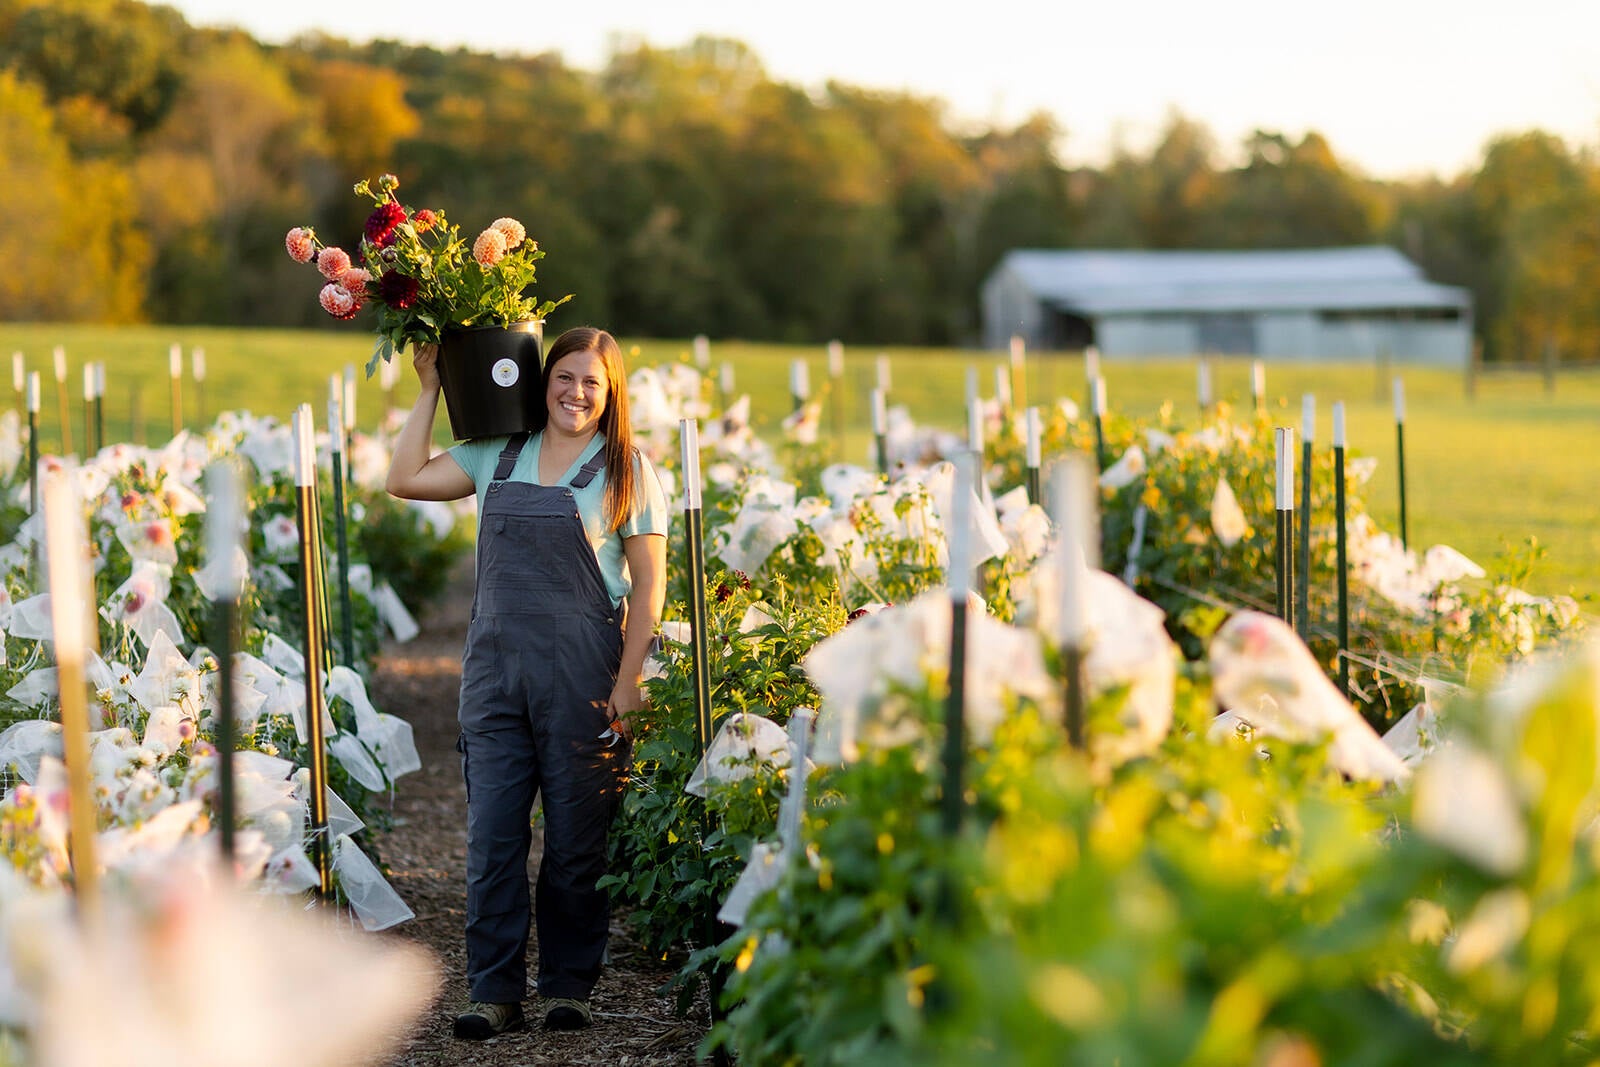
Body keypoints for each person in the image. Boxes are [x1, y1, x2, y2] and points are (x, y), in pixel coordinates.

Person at [385, 326, 668, 1039]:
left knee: (576, 841)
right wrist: (429, 390)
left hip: (585, 678)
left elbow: (651, 584)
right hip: (495, 678)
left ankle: (567, 984)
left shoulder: (627, 468)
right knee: (494, 838)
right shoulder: (496, 451)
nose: (576, 393)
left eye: (592, 384)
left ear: (611, 395)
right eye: (564, 378)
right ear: (542, 382)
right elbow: (404, 478)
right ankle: (494, 988)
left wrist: (631, 678)